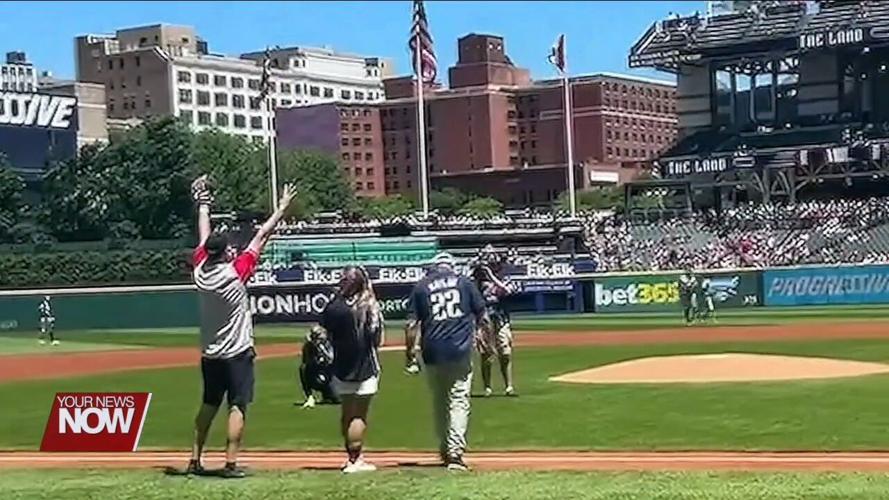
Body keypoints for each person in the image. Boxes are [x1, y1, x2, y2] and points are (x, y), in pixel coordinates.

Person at [186, 175, 296, 479]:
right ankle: (230, 463)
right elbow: (261, 235)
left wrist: (203, 205)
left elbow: (203, 235)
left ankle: (194, 459)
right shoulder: (235, 272)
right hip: (237, 352)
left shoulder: (199, 270)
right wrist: (281, 209)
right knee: (237, 405)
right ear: (224, 252)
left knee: (208, 404)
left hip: (211, 353)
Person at [405, 252, 487, 471]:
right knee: (458, 400)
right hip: (460, 349)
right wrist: (483, 337)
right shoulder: (465, 283)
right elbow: (483, 314)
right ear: (452, 267)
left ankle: (444, 447)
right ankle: (455, 452)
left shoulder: (421, 286)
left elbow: (411, 325)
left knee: (440, 402)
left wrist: (410, 353)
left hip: (432, 351)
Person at [319, 266, 384, 474]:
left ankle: (350, 456)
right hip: (365, 365)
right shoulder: (369, 306)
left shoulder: (333, 307)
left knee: (346, 413)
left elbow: (323, 333)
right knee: (359, 415)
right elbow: (376, 338)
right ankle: (356, 459)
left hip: (340, 366)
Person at [471, 261, 517, 397]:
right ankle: (487, 387)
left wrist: (491, 276)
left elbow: (506, 290)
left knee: (505, 353)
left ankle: (508, 386)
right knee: (486, 355)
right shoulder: (478, 283)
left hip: (501, 320)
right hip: (484, 321)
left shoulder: (505, 279)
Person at [299, 326, 339, 408]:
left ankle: (328, 394)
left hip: (332, 374)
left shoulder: (331, 344)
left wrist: (321, 349)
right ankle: (310, 397)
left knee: (337, 398)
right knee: (303, 369)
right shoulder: (308, 347)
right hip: (318, 373)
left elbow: (331, 360)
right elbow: (307, 363)